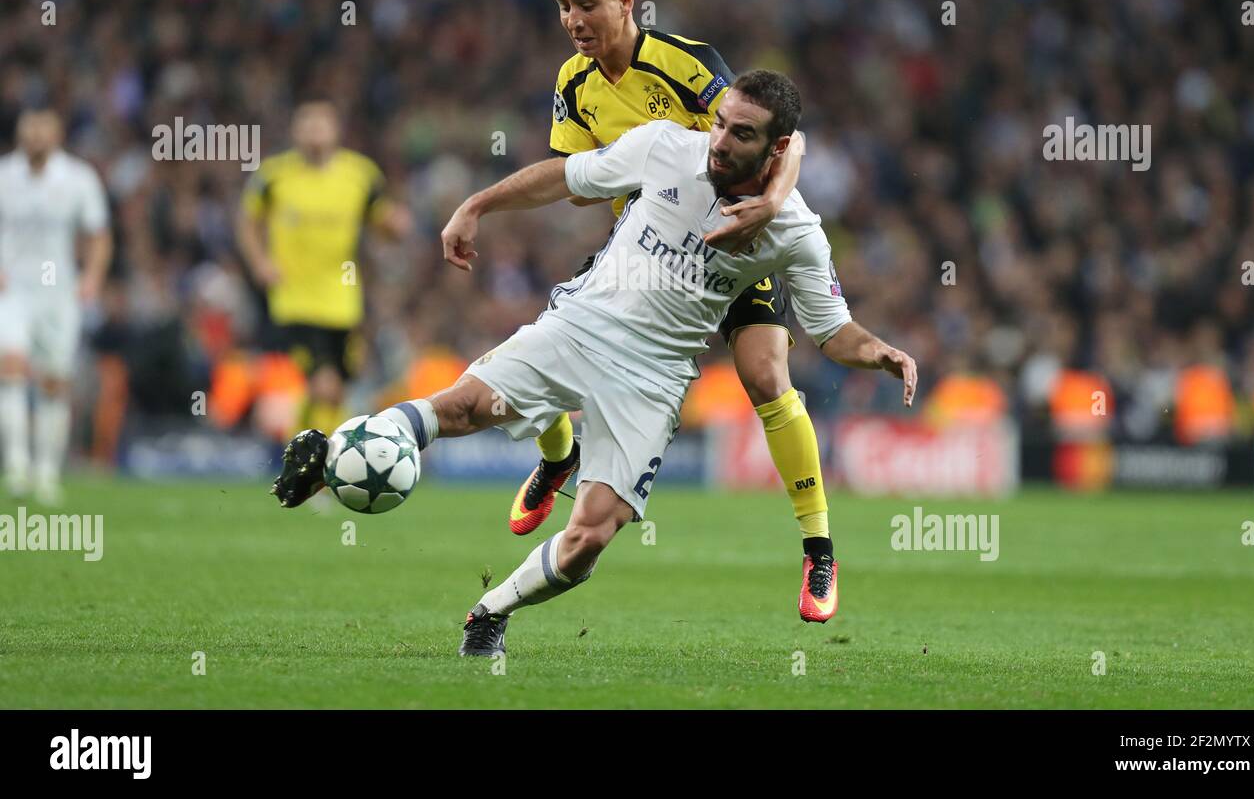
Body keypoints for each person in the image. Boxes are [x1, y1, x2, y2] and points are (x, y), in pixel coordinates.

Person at [271, 71, 918, 653]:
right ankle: (332, 454)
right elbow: (566, 177)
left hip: (652, 381)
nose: (719, 142)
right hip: (579, 327)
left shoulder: (796, 232)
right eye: (720, 123)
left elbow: (832, 331)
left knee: (588, 540)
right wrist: (478, 204)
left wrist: (879, 352)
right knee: (465, 406)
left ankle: (489, 612)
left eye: (741, 134)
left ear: (777, 151)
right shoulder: (665, 146)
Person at [518, 0, 838, 620]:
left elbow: (785, 137)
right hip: (645, 253)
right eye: (564, 6)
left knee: (765, 377)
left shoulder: (687, 64)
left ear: (625, 1)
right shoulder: (572, 83)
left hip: (730, 241)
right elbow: (574, 180)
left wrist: (770, 205)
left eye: (586, 3)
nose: (573, 20)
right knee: (544, 344)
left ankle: (818, 548)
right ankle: (559, 455)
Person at [236, 101, 410, 441]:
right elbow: (247, 221)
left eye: (322, 122)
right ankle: (321, 455)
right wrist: (260, 262)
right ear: (295, 130)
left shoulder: (360, 174)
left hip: (343, 300)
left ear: (336, 130)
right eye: (307, 122)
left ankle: (303, 450)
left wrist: (395, 226)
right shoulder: (274, 175)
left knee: (336, 391)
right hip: (296, 300)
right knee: (323, 384)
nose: (315, 130)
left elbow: (381, 220)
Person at [0, 110, 112, 505]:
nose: (35, 135)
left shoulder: (78, 178)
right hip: (13, 288)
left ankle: (47, 472)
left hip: (58, 290)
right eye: (29, 128)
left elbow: (98, 233)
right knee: (10, 367)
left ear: (57, 134)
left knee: (54, 380)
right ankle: (17, 464)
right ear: (20, 133)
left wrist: (92, 276)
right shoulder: (5, 174)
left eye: (42, 129)